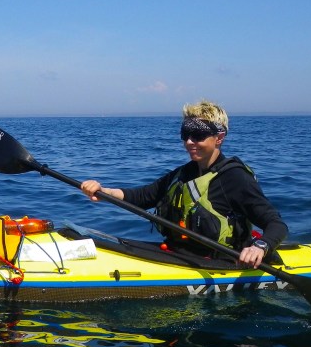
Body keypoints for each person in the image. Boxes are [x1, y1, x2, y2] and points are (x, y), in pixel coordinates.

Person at [80, 100, 287, 268]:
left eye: (197, 135)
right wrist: (104, 191)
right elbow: (143, 197)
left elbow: (276, 224)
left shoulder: (235, 178)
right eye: (185, 135)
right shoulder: (183, 173)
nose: (189, 142)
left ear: (219, 137)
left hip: (219, 262)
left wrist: (260, 246)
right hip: (177, 255)